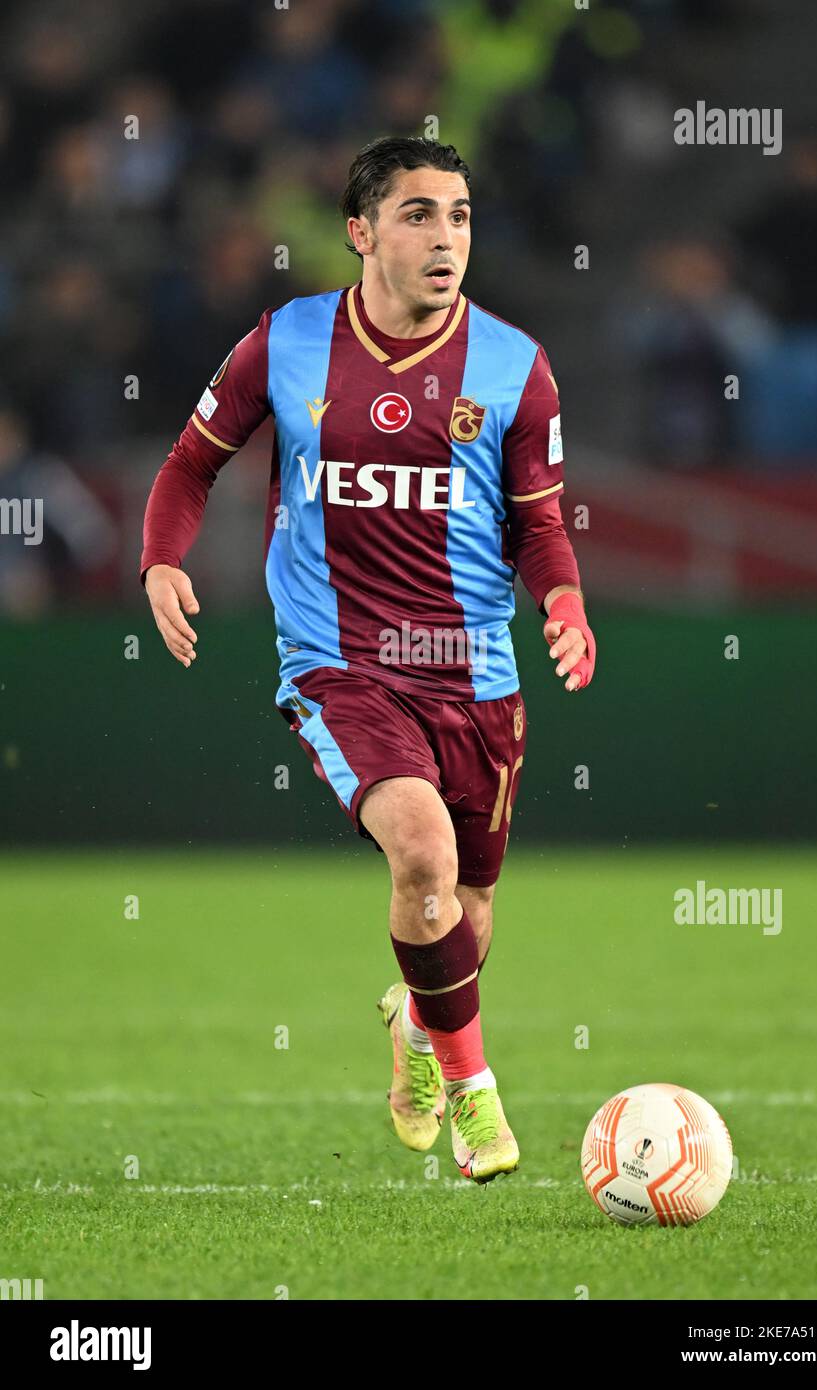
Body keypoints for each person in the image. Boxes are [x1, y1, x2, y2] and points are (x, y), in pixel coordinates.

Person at [141, 136, 595, 1184]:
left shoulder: (514, 368)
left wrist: (563, 600)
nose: (447, 238)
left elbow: (538, 526)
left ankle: (416, 1025)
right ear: (361, 232)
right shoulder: (285, 343)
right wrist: (161, 560)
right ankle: (478, 1097)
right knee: (422, 856)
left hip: (476, 671)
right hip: (338, 661)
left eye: (461, 215)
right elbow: (188, 463)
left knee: (462, 916)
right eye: (420, 215)